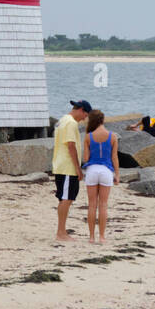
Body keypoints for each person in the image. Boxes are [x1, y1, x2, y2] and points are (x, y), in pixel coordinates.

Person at [51, 100, 90, 241]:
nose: (85, 118)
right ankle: (61, 232)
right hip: (68, 167)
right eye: (85, 114)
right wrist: (78, 169)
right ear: (80, 110)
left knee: (64, 198)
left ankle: (61, 231)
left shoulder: (62, 120)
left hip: (60, 165)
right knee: (66, 199)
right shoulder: (71, 123)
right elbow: (71, 146)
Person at [80, 109, 119, 243]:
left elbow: (85, 158)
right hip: (106, 171)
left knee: (92, 205)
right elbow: (114, 158)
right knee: (103, 205)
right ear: (103, 120)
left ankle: (91, 237)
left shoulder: (88, 136)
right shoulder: (112, 136)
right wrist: (117, 175)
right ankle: (102, 237)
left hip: (92, 171)